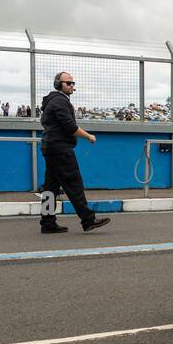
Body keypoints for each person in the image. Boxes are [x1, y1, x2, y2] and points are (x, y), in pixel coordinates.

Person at [38, 71, 108, 234]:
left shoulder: (53, 101)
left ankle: (47, 222)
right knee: (73, 183)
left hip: (50, 148)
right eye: (68, 83)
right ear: (58, 84)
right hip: (60, 149)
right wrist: (89, 136)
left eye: (73, 83)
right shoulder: (59, 102)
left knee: (51, 187)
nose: (71, 86)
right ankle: (88, 219)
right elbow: (70, 126)